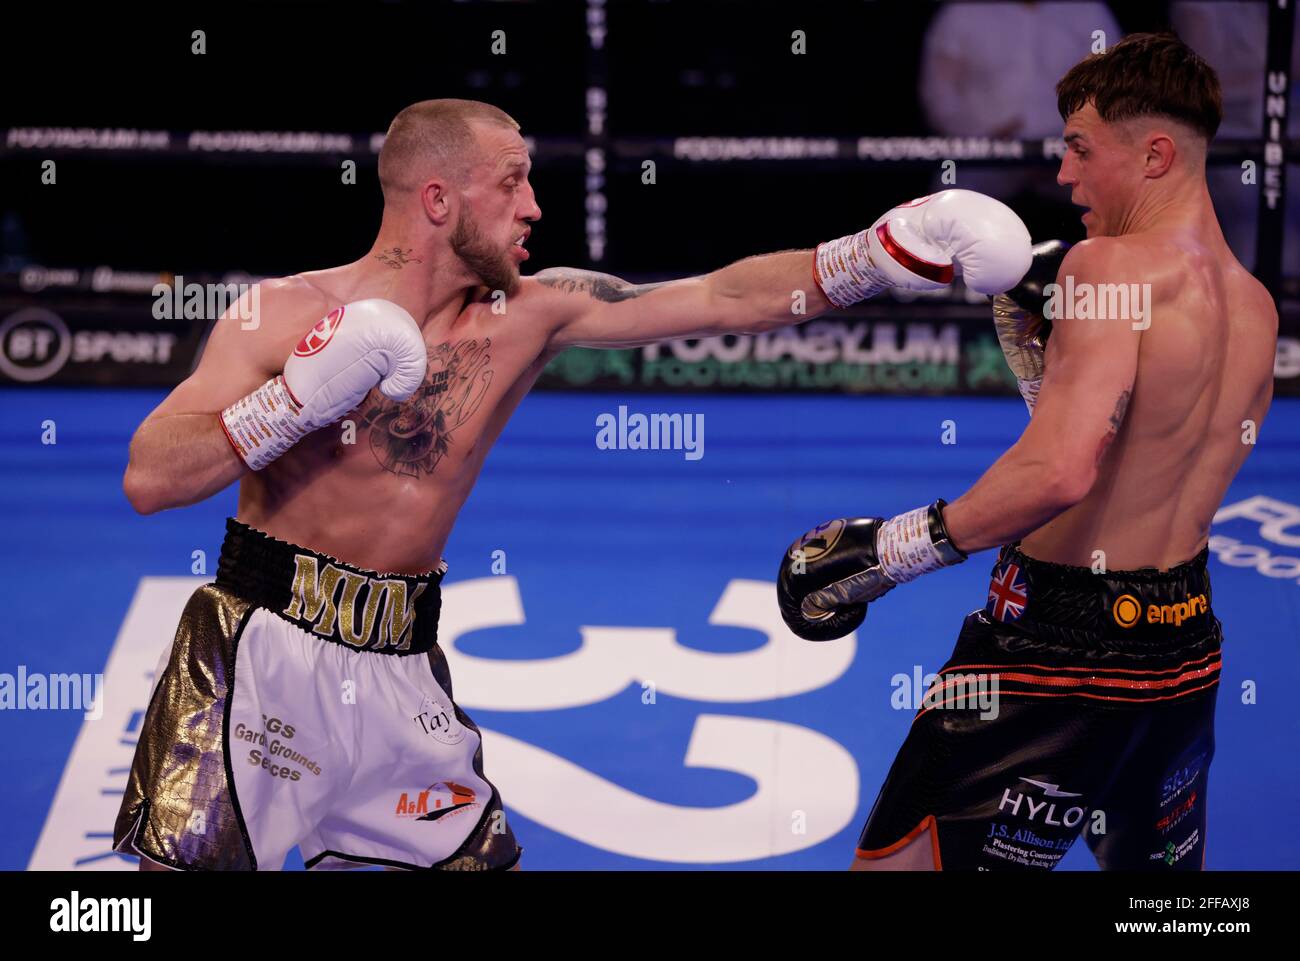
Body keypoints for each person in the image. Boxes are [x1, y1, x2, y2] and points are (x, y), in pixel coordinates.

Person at [113, 98, 1032, 871]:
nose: (534, 205)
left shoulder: (529, 314)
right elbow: (151, 476)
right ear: (438, 198)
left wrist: (880, 252)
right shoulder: (284, 312)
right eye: (512, 179)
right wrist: (292, 400)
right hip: (259, 655)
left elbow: (723, 295)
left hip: (401, 669)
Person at [779, 33, 1278, 871]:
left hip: (1045, 654)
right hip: (1183, 649)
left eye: (1081, 150)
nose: (1064, 177)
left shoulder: (1103, 264)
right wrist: (1044, 374)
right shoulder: (1256, 305)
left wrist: (884, 552)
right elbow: (1133, 463)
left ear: (1155, 154)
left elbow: (1061, 471)